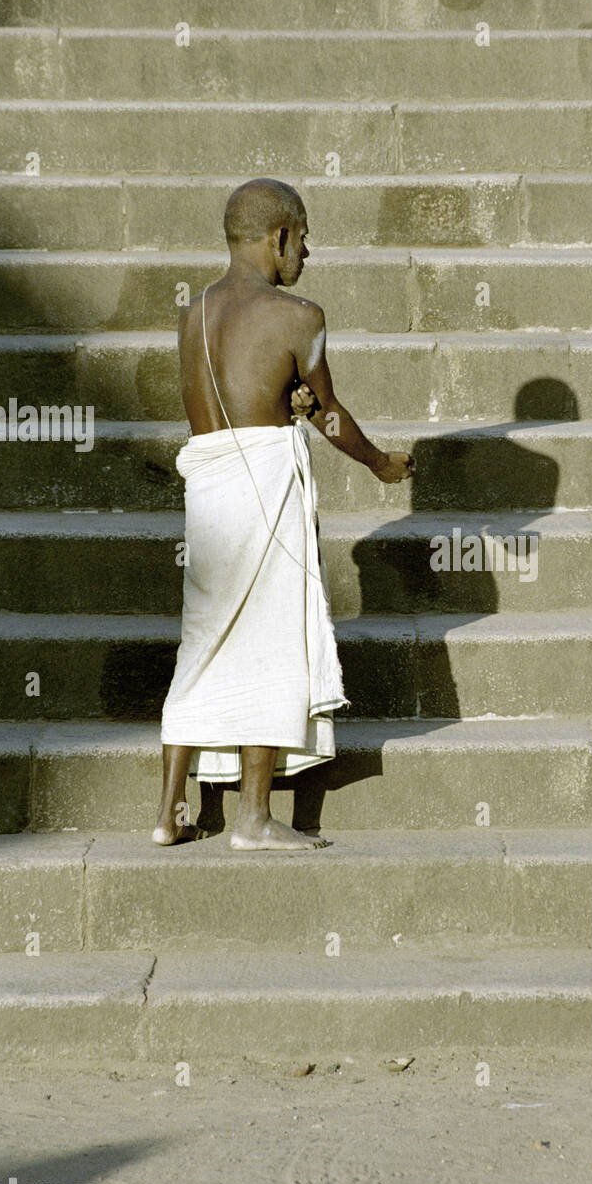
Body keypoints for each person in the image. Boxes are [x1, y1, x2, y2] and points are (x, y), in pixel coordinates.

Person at [151, 178, 414, 850]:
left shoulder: (194, 315)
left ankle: (167, 812)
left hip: (209, 487)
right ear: (278, 238)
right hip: (263, 483)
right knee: (269, 640)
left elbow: (245, 394)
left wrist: (282, 400)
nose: (308, 252)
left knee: (204, 641)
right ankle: (254, 819)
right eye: (304, 238)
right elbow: (328, 414)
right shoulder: (301, 317)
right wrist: (381, 462)